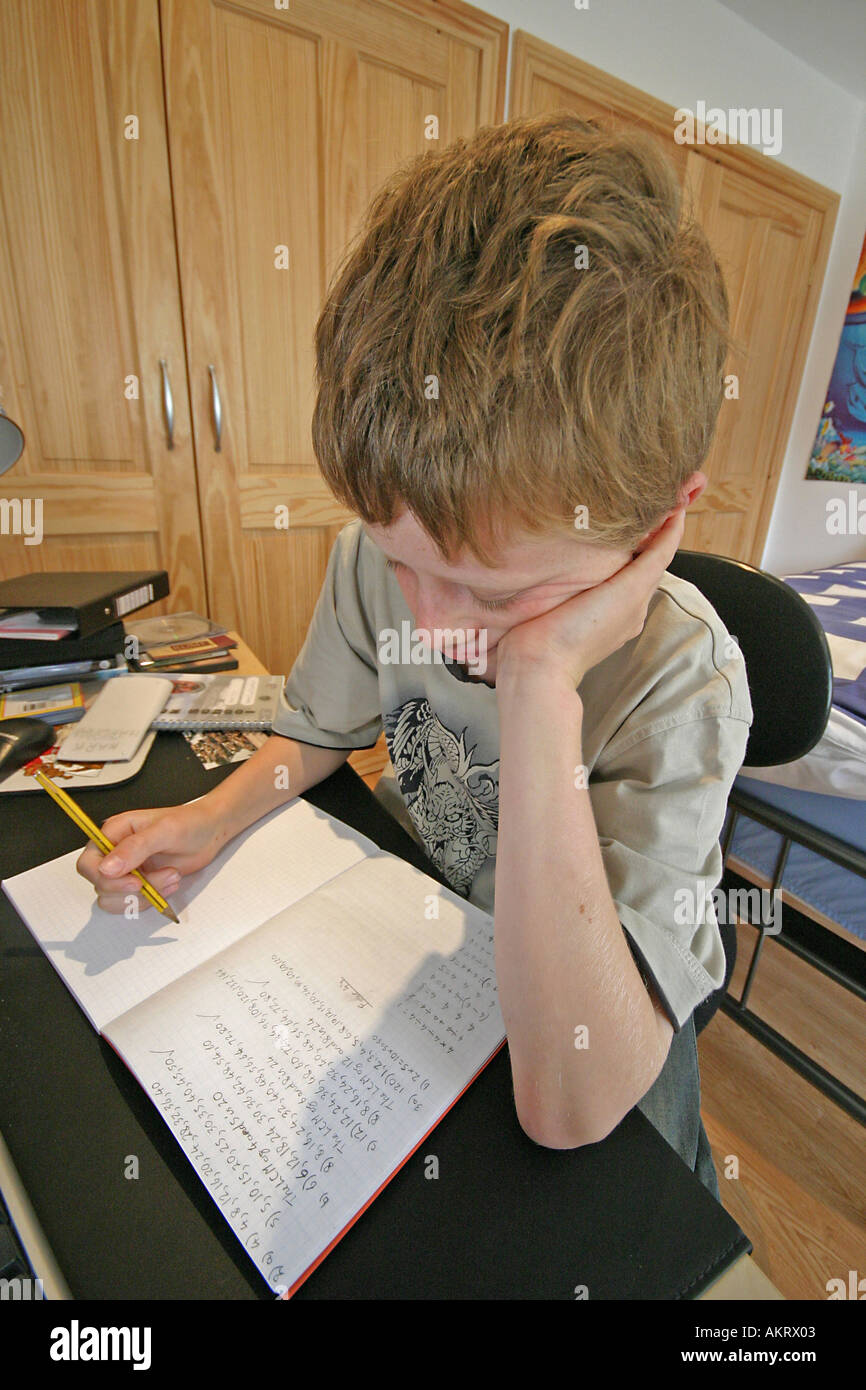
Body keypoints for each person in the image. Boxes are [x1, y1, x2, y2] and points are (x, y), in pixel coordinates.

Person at [77, 112, 752, 1198]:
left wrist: (539, 681)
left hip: (597, 1037)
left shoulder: (686, 680)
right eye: (398, 561)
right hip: (436, 975)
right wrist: (205, 820)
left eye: (494, 593)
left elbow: (572, 1101)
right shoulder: (374, 549)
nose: (431, 625)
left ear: (650, 529)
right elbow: (316, 733)